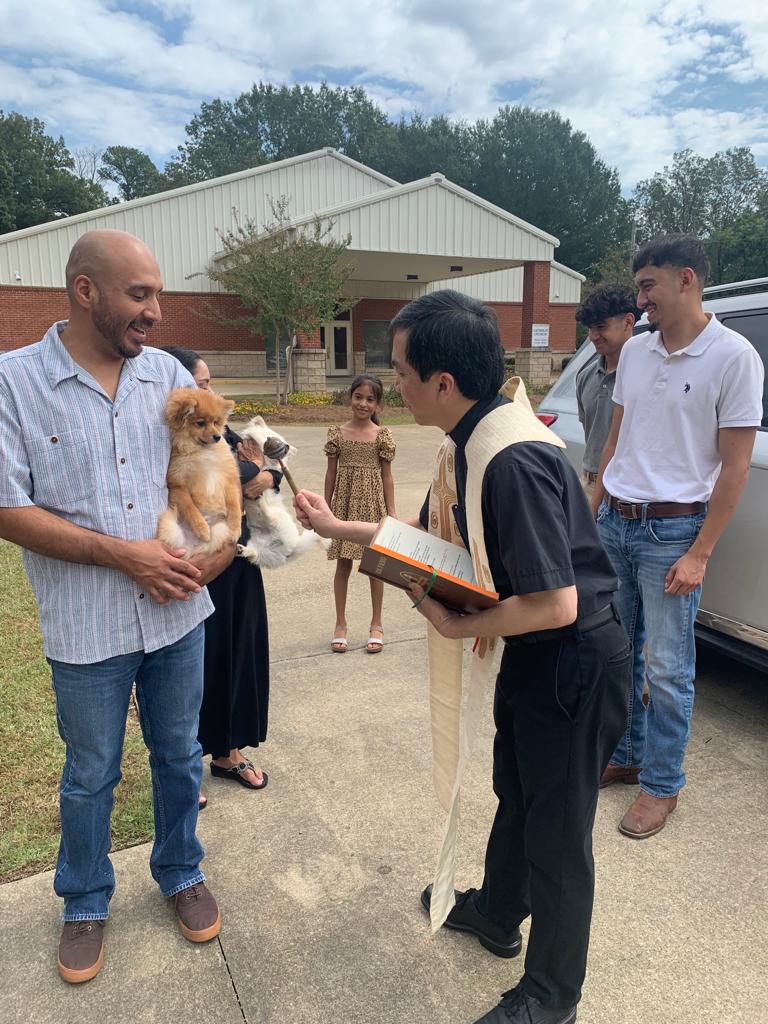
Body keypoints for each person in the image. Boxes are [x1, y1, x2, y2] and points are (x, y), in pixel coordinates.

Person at [296, 290, 631, 1024]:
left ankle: (551, 996)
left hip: (572, 658)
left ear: (443, 383)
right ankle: (498, 914)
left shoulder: (507, 457)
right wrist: (339, 526)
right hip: (538, 656)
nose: (395, 385)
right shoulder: (473, 436)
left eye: (403, 372)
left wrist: (451, 627)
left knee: (559, 833)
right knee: (517, 791)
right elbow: (435, 544)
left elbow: (556, 603)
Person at [0, 230, 229, 985]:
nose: (155, 313)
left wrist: (220, 546)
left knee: (178, 752)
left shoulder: (164, 375)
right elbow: (7, 508)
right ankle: (85, 901)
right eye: (140, 296)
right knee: (91, 772)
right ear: (84, 289)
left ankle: (181, 871)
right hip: (86, 627)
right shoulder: (14, 383)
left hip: (177, 619)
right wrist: (121, 553)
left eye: (157, 296)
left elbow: (208, 468)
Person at [592, 235, 763, 839]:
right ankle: (629, 753)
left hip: (673, 531)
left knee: (667, 667)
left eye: (647, 287)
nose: (639, 303)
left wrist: (700, 551)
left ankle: (662, 784)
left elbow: (736, 464)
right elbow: (618, 435)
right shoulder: (636, 353)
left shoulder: (734, 356)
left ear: (685, 279)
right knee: (617, 652)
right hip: (617, 521)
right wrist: (595, 511)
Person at [163, 346, 276, 802]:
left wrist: (262, 475)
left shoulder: (217, 428)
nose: (211, 391)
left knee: (238, 657)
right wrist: (257, 474)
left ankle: (228, 751)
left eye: (209, 382)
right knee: (193, 668)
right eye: (202, 383)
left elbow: (260, 469)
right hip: (197, 564)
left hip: (239, 559)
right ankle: (187, 762)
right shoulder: (175, 436)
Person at [324, 373, 396, 654]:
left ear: (377, 404)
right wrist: (327, 511)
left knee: (375, 567)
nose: (363, 404)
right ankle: (340, 623)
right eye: (358, 397)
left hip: (372, 506)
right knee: (343, 565)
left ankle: (376, 623)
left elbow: (387, 478)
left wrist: (392, 514)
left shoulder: (383, 436)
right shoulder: (337, 434)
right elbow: (330, 474)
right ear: (349, 397)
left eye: (370, 399)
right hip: (343, 506)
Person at [574, 284, 637, 496]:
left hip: (629, 491)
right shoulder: (585, 377)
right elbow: (589, 431)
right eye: (590, 328)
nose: (593, 336)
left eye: (601, 327)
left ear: (628, 322)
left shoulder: (649, 376)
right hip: (589, 483)